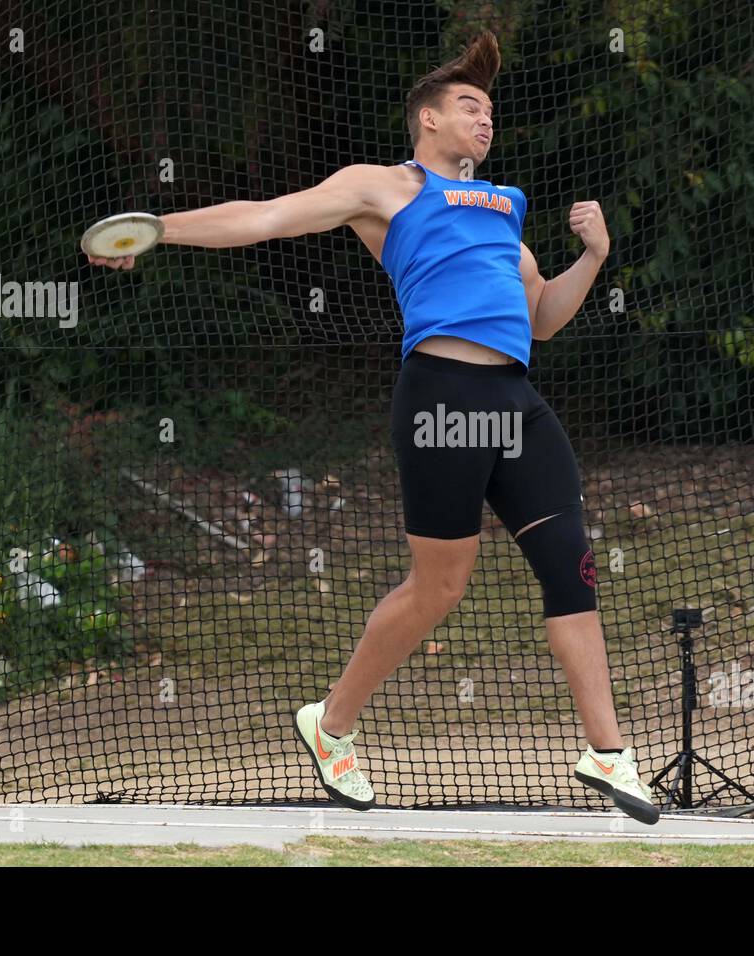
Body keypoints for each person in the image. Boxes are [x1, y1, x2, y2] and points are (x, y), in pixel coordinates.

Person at [88, 32, 659, 824]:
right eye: (469, 106)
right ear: (428, 119)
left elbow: (543, 318)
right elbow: (265, 218)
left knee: (572, 566)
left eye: (490, 109)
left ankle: (608, 754)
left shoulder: (503, 209)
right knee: (440, 588)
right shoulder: (383, 187)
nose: (484, 120)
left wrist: (592, 259)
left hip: (518, 404)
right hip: (442, 398)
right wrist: (160, 229)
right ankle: (332, 726)